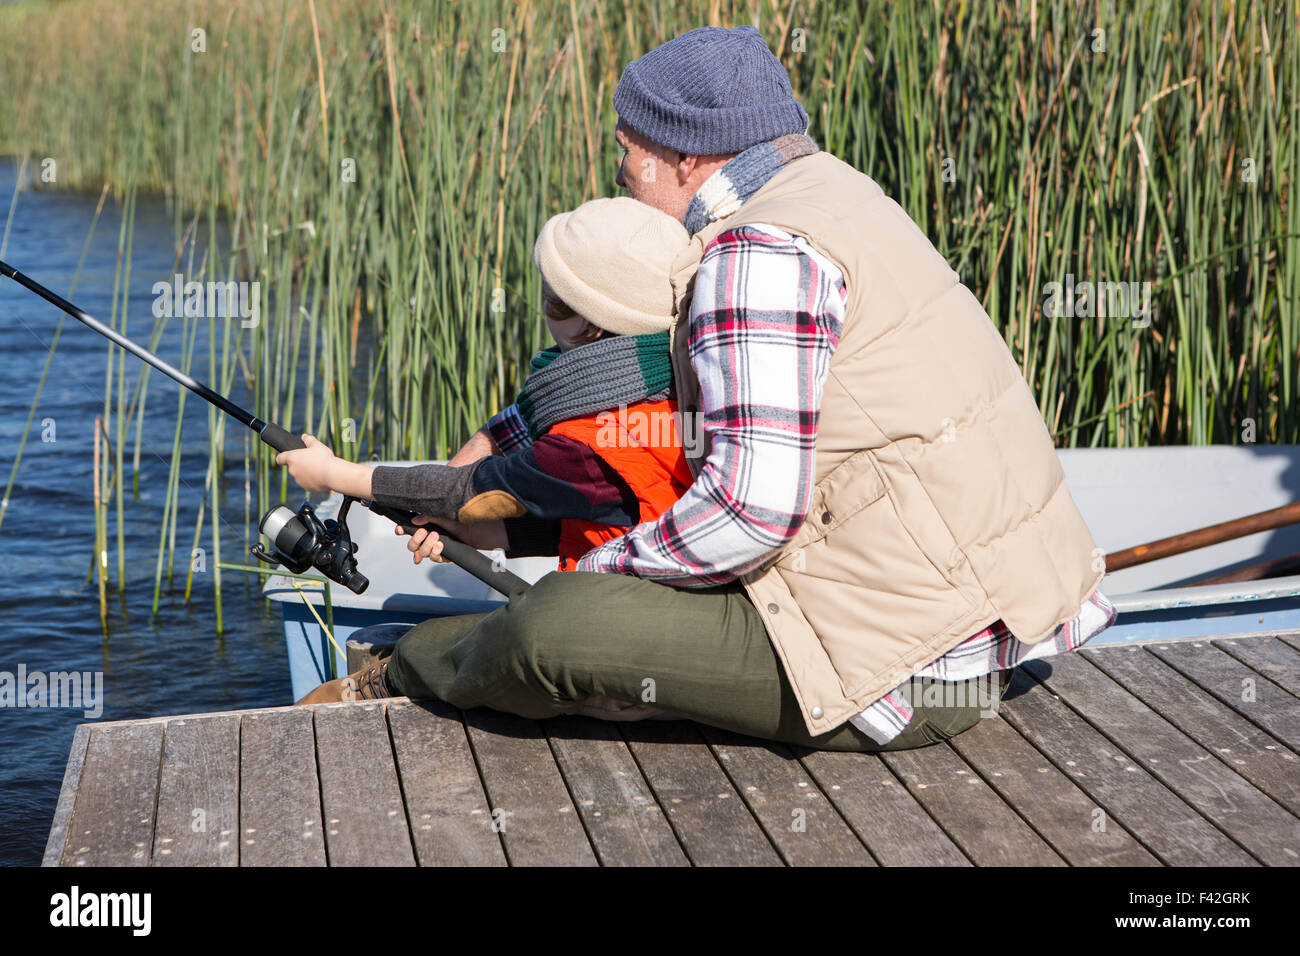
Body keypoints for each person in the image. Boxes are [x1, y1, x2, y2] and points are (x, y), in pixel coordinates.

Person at [286, 25, 1115, 751]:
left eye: (627, 154)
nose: (622, 175)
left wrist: (604, 569)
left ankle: (400, 671)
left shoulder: (752, 255)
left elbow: (754, 512)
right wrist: (519, 529)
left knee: (558, 625)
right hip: (982, 631)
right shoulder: (841, 194)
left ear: (684, 157)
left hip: (904, 671)